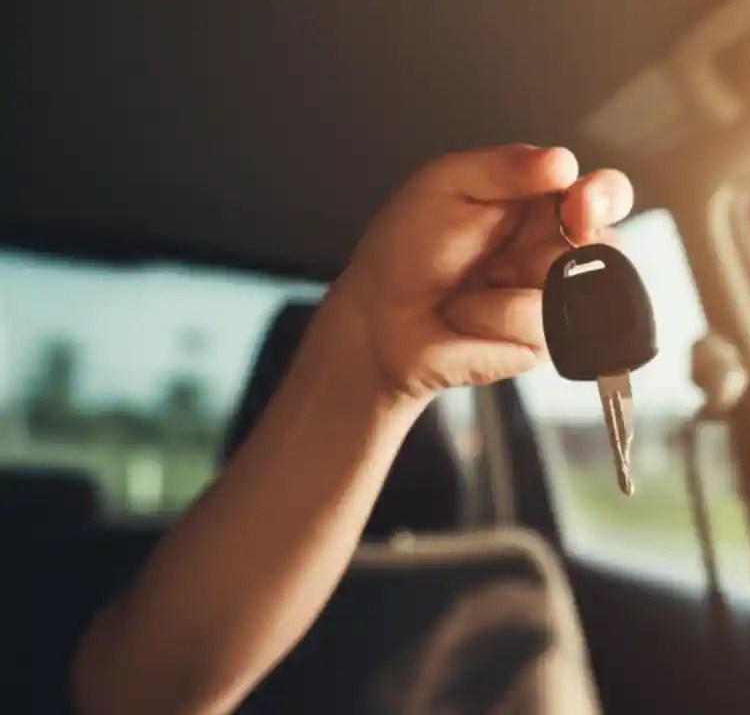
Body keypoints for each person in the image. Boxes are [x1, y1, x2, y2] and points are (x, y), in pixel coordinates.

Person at [69, 144, 634, 715]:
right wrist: (363, 360)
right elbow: (136, 700)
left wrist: (371, 365)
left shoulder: (505, 597)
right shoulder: (506, 597)